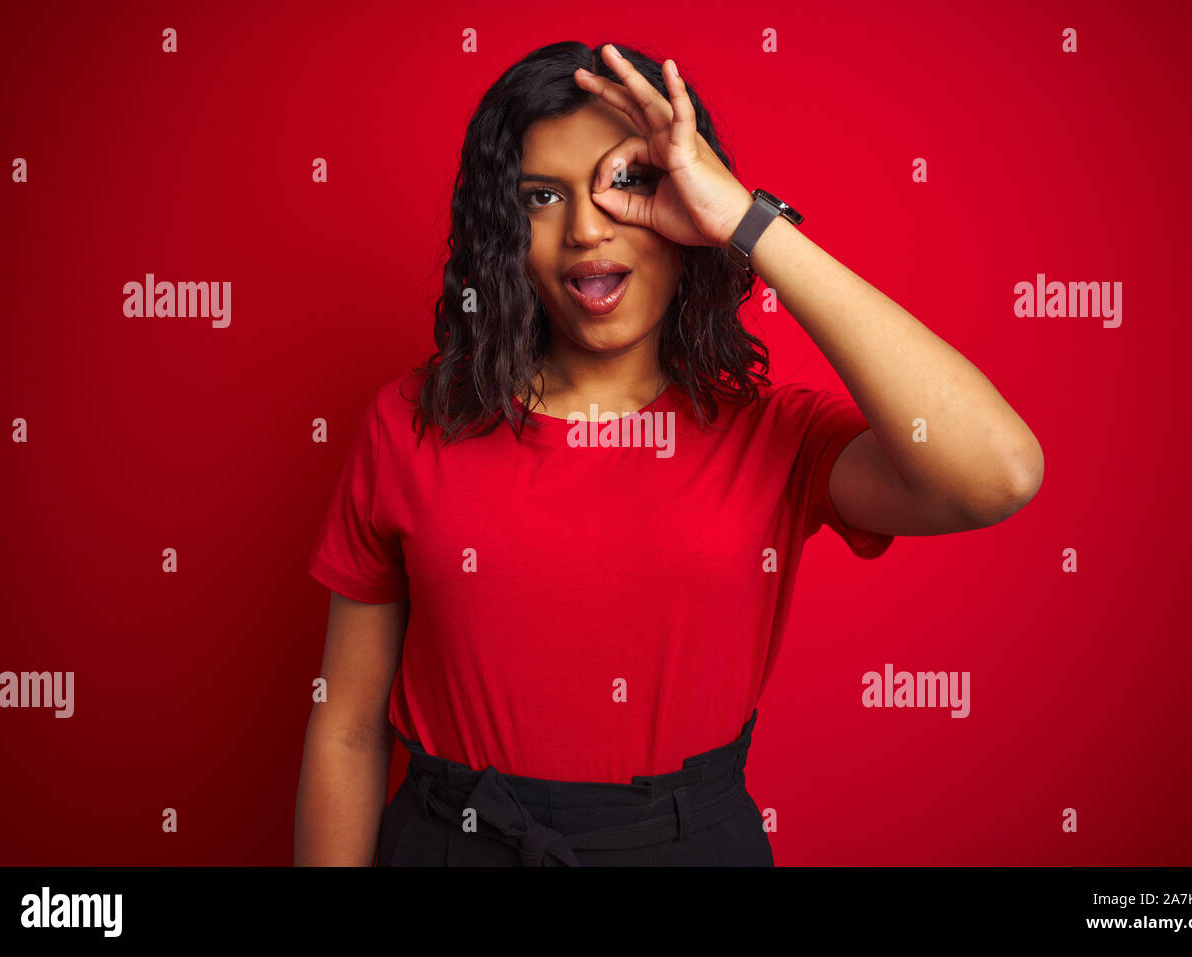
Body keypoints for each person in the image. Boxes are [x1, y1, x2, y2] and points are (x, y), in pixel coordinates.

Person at [293, 40, 1043, 867]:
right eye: (541, 196)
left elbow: (998, 473)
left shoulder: (771, 438)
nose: (584, 228)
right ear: (506, 230)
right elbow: (349, 727)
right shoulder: (410, 423)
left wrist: (747, 223)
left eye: (628, 182)